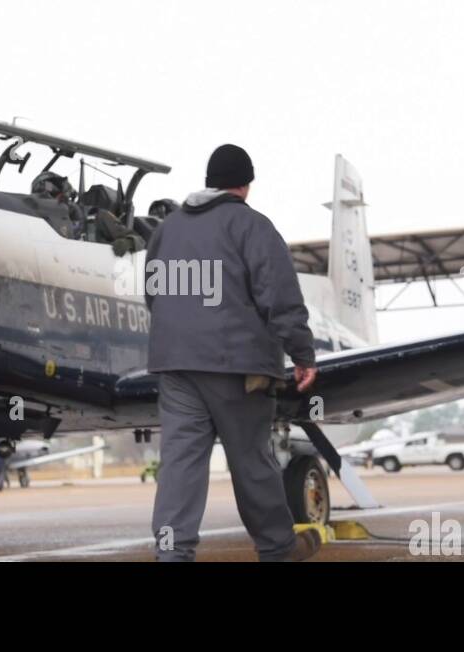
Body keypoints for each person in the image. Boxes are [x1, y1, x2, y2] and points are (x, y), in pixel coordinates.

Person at [145, 144, 320, 562]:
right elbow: (278, 297)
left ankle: (172, 552)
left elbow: (154, 295)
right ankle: (279, 549)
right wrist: (303, 354)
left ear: (209, 182)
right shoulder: (251, 226)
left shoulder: (166, 230)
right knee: (251, 463)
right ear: (246, 185)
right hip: (236, 366)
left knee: (180, 467)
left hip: (175, 366)